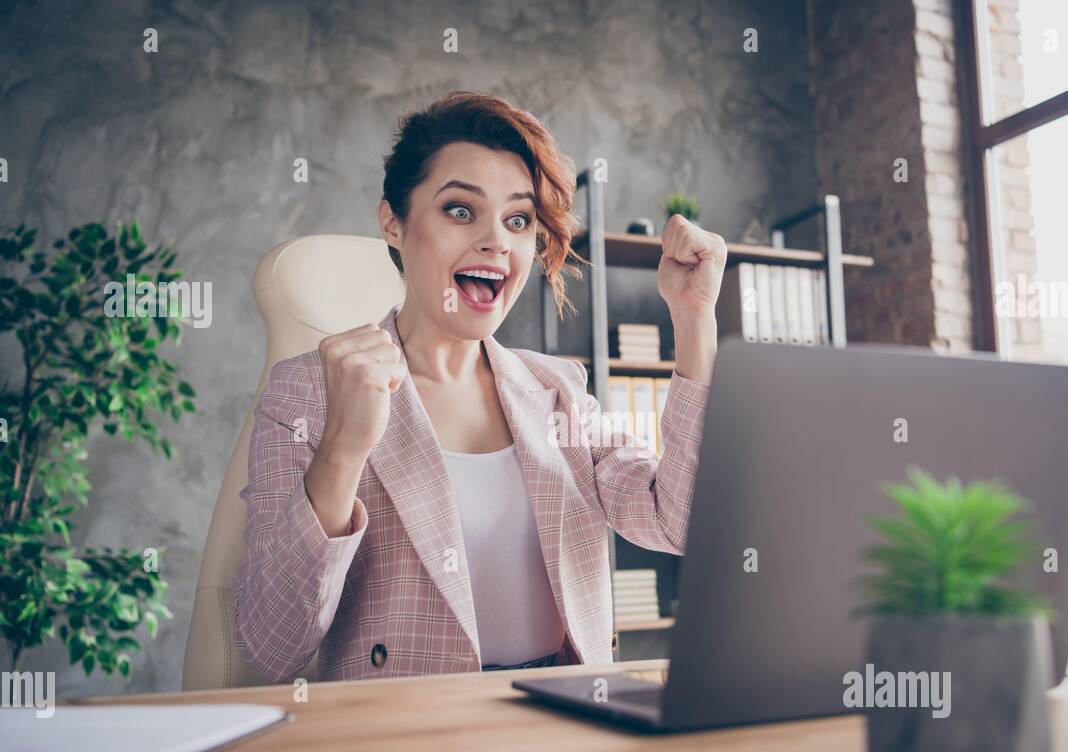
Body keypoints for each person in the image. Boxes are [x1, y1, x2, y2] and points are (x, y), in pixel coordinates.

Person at [233, 91, 727, 682]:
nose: (497, 240)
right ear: (393, 221)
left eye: (518, 220)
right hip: (407, 738)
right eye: (461, 211)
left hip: (567, 715)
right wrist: (342, 448)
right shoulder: (309, 391)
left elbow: (680, 522)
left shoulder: (559, 390)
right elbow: (270, 645)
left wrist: (694, 320)